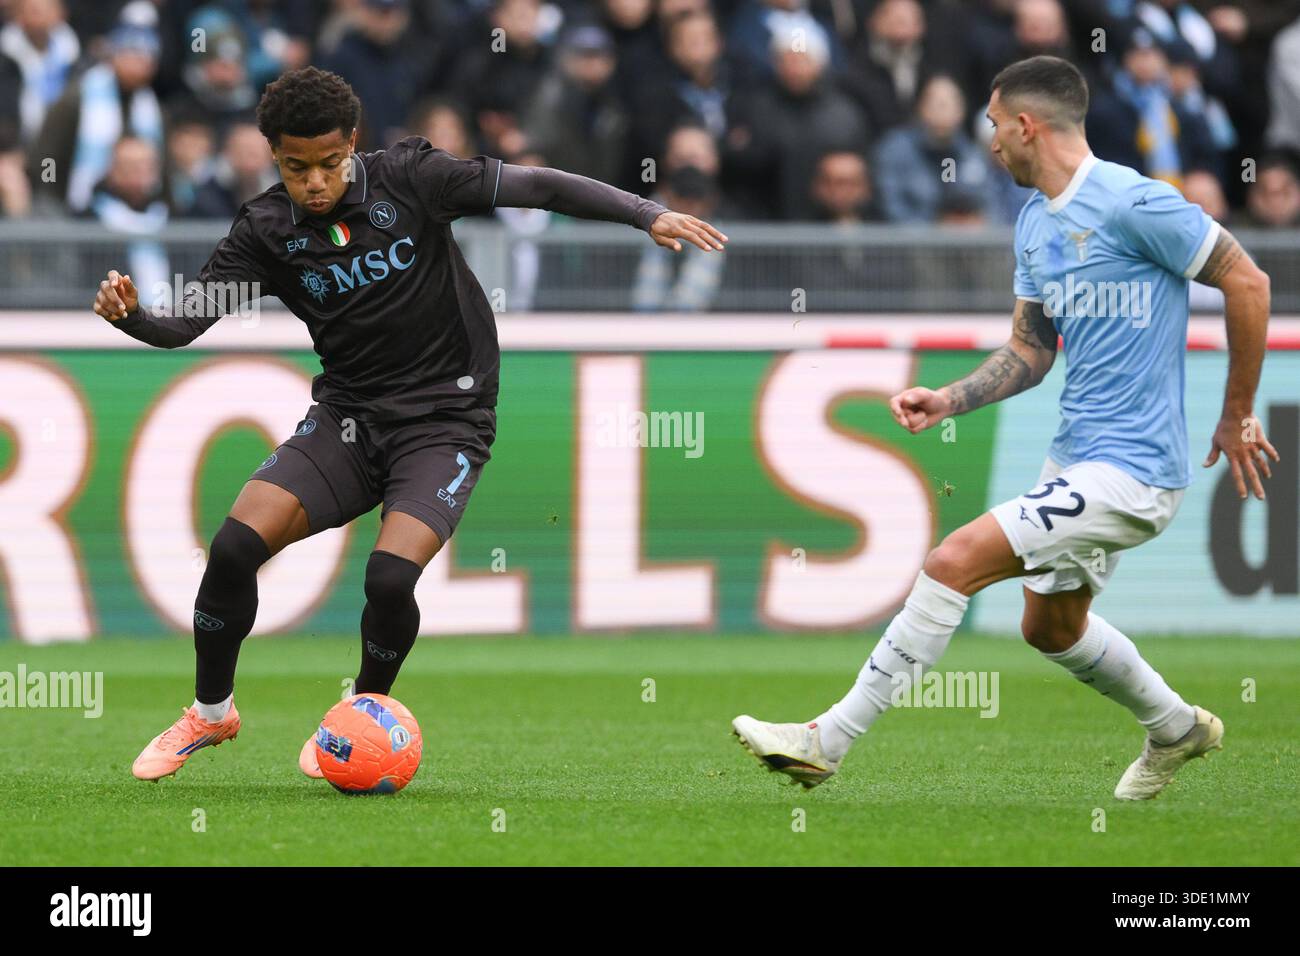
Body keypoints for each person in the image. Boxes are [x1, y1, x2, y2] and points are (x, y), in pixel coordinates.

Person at [91, 67, 727, 783]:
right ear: (273, 156)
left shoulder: (413, 179)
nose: (316, 183)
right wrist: (134, 316)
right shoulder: (266, 233)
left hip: (445, 421)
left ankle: (364, 717)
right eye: (297, 168)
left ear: (352, 144)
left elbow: (539, 186)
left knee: (390, 580)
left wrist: (647, 214)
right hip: (349, 420)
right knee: (235, 546)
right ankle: (211, 715)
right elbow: (184, 324)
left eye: (330, 163)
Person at [733, 55, 1275, 801]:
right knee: (1051, 628)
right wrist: (949, 399)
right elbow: (1031, 348)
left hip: (1135, 469)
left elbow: (1248, 279)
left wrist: (1238, 412)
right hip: (1075, 459)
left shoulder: (1136, 202)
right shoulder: (1032, 223)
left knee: (953, 559)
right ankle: (1176, 727)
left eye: (992, 124)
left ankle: (827, 739)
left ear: (1027, 125)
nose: (987, 141)